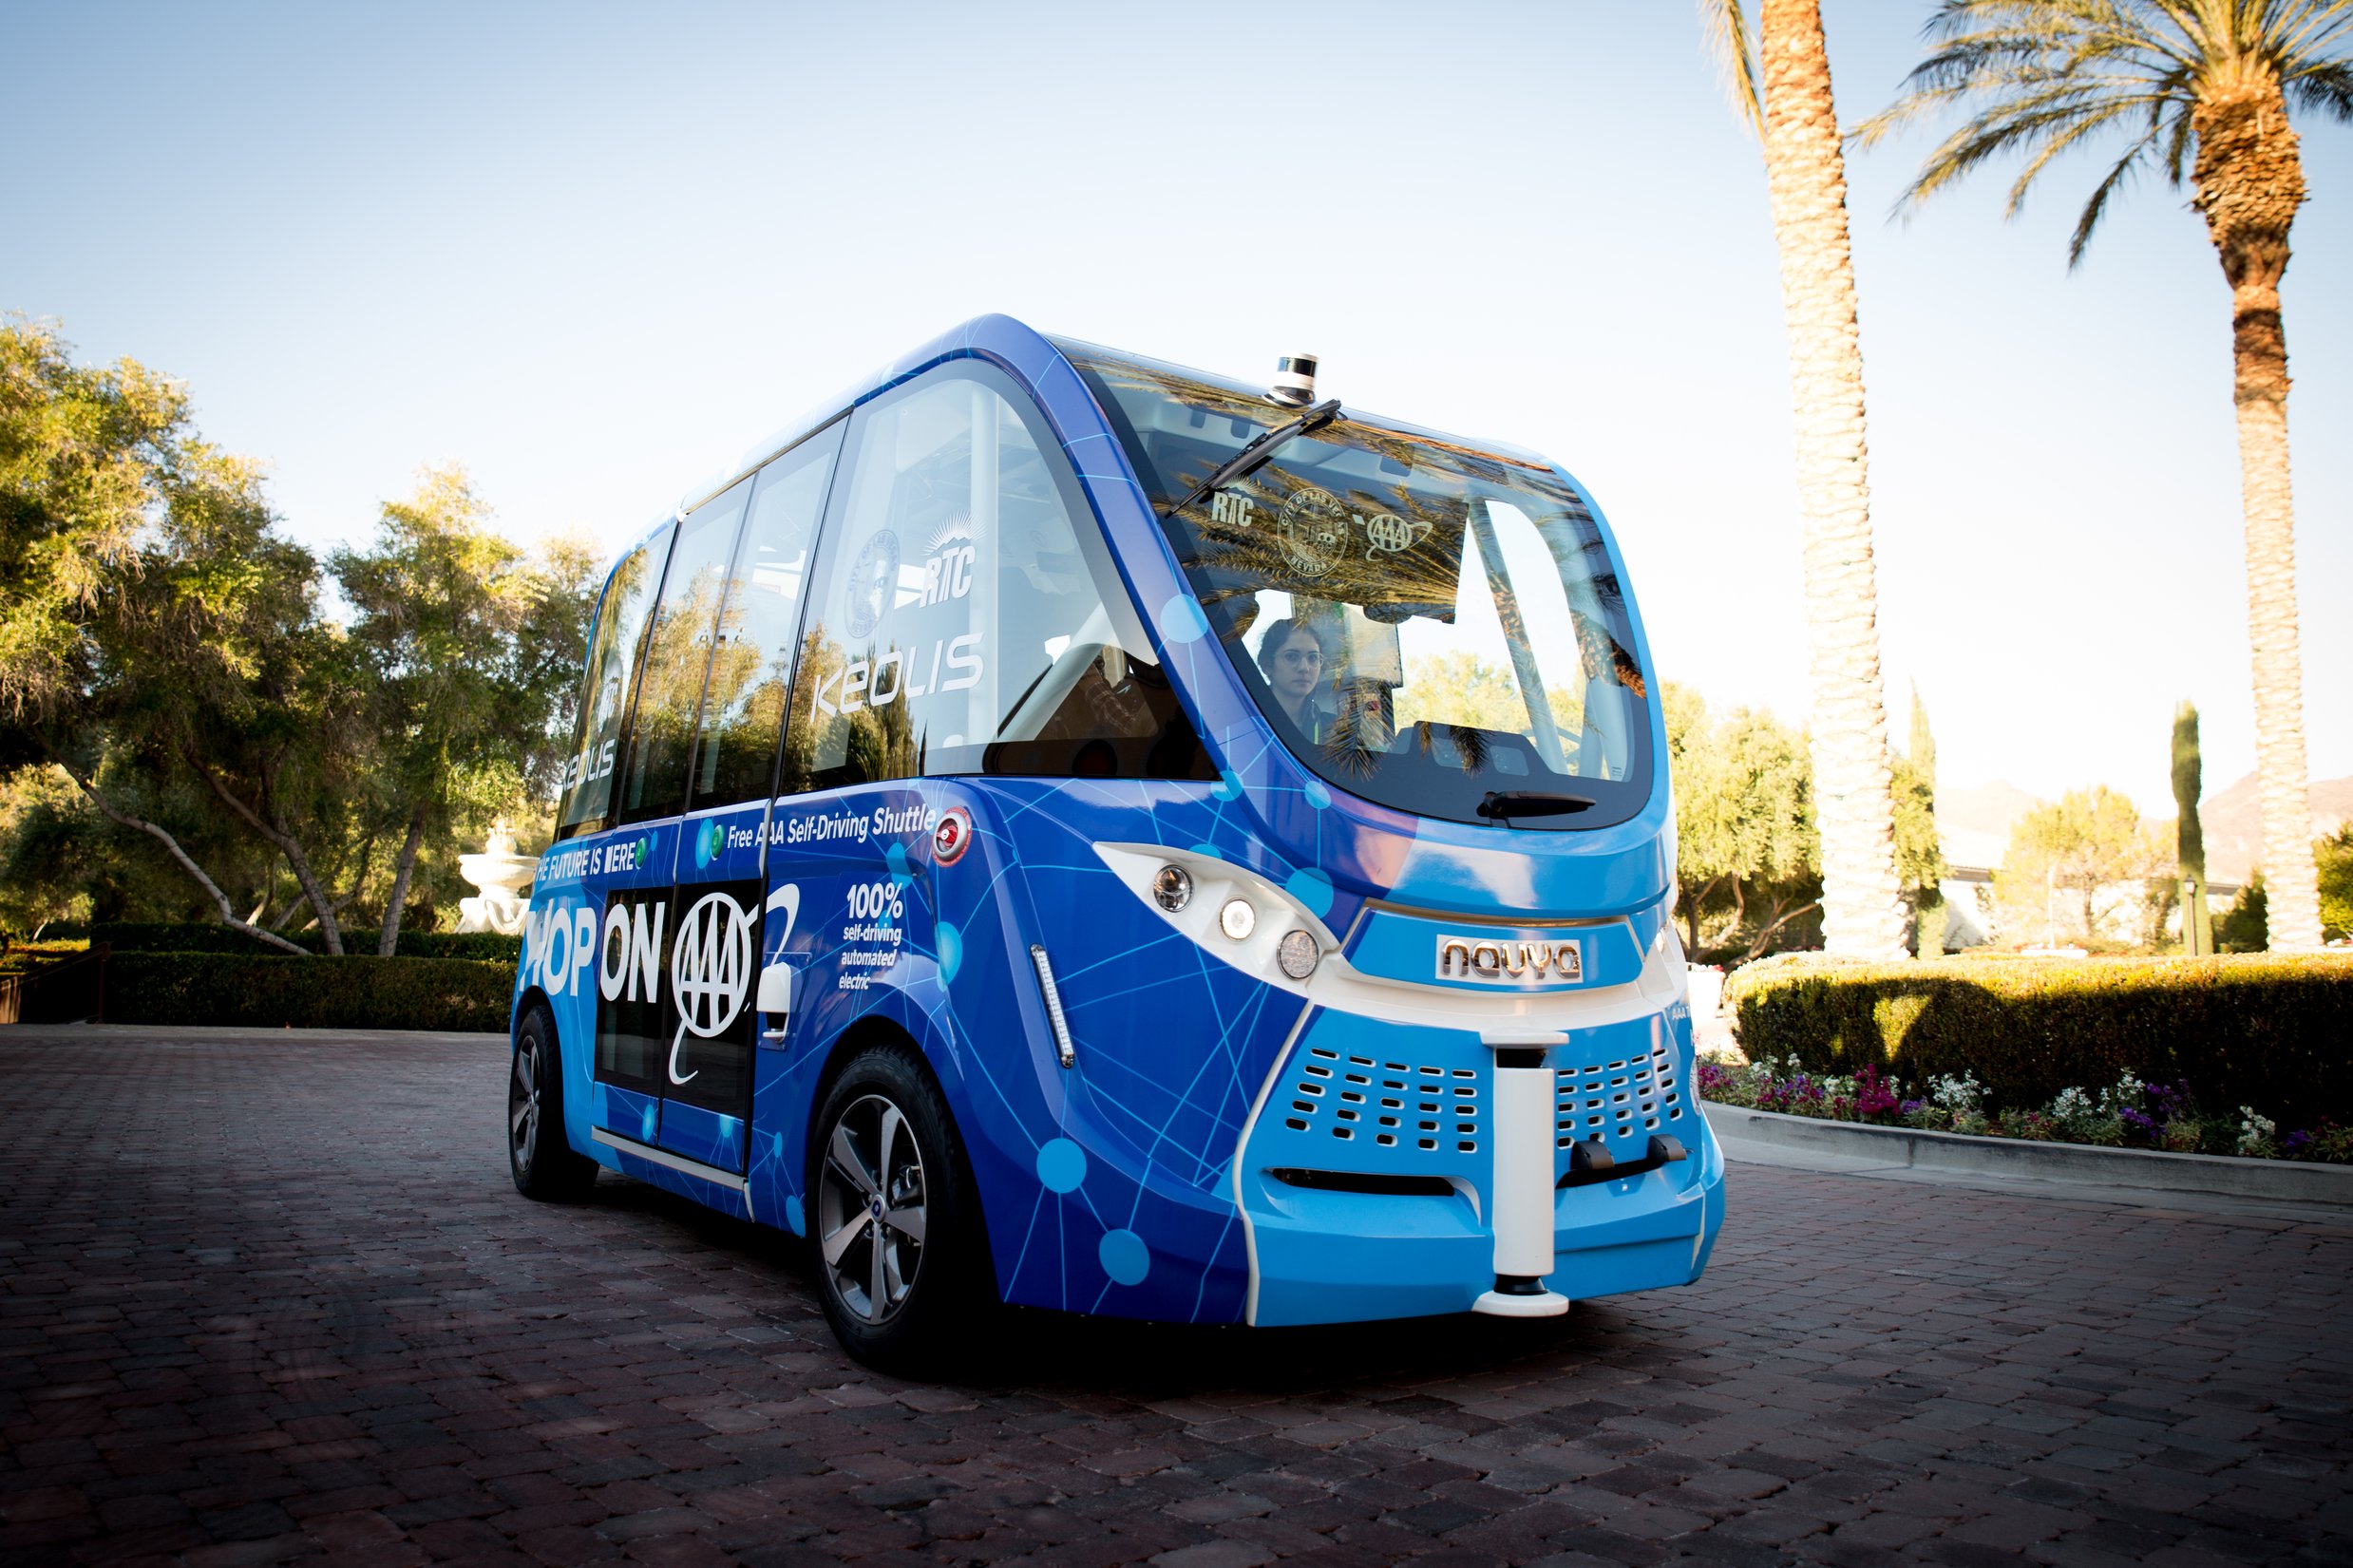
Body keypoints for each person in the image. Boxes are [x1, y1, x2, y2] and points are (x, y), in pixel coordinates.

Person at [1254, 618, 1329, 742]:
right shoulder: (1245, 720)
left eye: (1313, 658)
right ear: (1267, 665)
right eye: (1291, 656)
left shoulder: (1335, 730)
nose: (1304, 668)